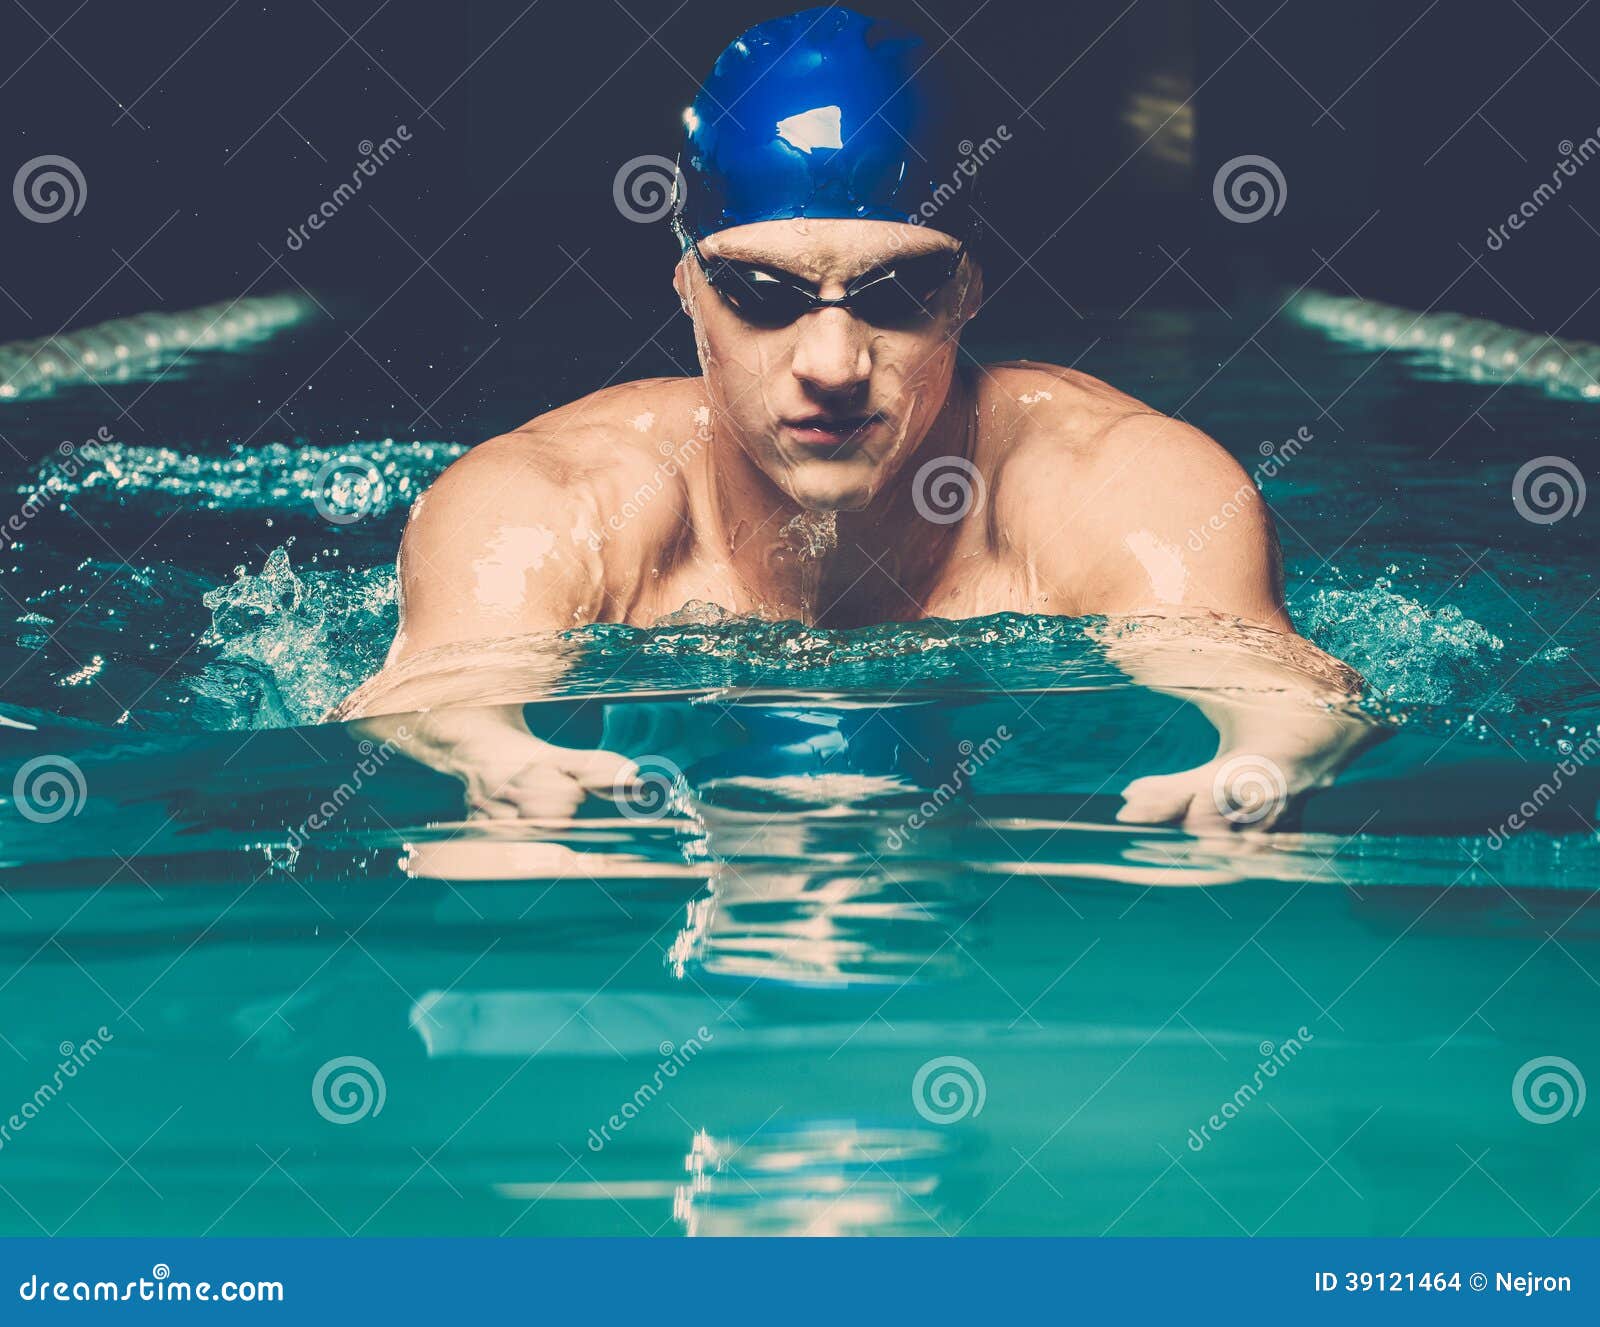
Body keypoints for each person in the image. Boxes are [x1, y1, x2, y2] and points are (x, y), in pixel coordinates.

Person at [341, 7, 1370, 830]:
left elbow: (1278, 686)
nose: (831, 365)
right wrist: (502, 758)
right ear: (687, 290)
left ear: (969, 289)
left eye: (895, 295)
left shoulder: (1119, 486)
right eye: (760, 294)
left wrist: (1262, 761)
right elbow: (432, 689)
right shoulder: (549, 502)